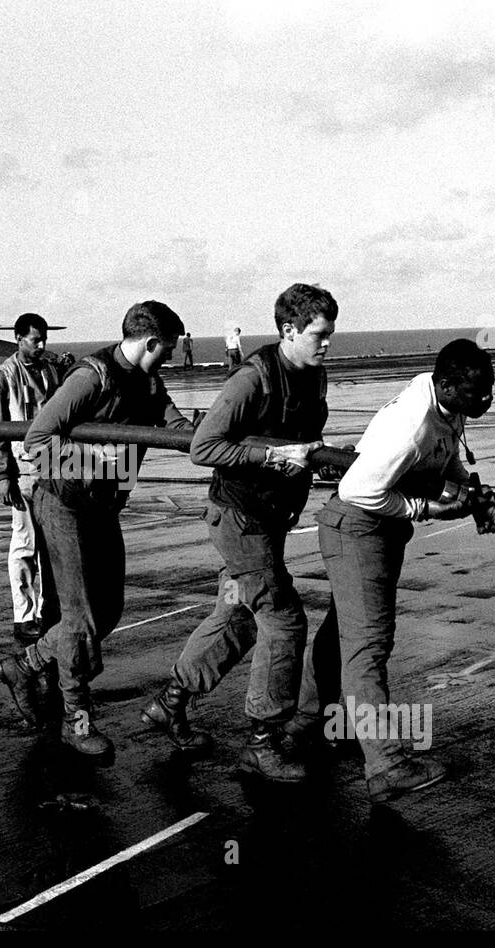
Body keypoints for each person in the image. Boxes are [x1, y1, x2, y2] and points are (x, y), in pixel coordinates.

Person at [140, 284, 335, 780]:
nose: (327, 342)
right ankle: (262, 741)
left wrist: (321, 460)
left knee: (239, 616)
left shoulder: (314, 378)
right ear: (288, 330)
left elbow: (301, 441)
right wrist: (270, 457)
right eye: (319, 334)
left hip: (268, 521)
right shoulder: (253, 379)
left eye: (330, 333)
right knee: (284, 618)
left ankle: (171, 701)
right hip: (239, 519)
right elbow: (204, 447)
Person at [296, 338, 495, 803]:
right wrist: (427, 509)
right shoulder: (411, 424)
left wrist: (470, 494)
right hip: (358, 529)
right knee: (368, 646)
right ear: (446, 384)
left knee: (341, 635)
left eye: (489, 391)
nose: (485, 400)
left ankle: (305, 724)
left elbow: (446, 459)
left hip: (379, 532)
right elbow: (358, 491)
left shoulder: (448, 407)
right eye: (477, 393)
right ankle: (386, 763)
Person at [0, 300, 195, 757]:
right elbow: (36, 441)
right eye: (167, 348)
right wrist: (92, 458)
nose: (170, 356)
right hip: (64, 503)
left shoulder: (148, 380)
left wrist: (210, 436)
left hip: (103, 507)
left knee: (107, 610)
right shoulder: (91, 376)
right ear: (150, 343)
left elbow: (174, 425)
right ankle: (76, 720)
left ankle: (25, 665)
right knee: (82, 619)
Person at [0, 313, 68, 655]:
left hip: (51, 470)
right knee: (24, 546)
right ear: (19, 338)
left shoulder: (49, 371)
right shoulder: (3, 378)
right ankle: (25, 614)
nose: (42, 345)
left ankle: (48, 609)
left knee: (51, 546)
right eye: (36, 339)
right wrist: (3, 475)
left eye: (44, 339)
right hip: (22, 472)